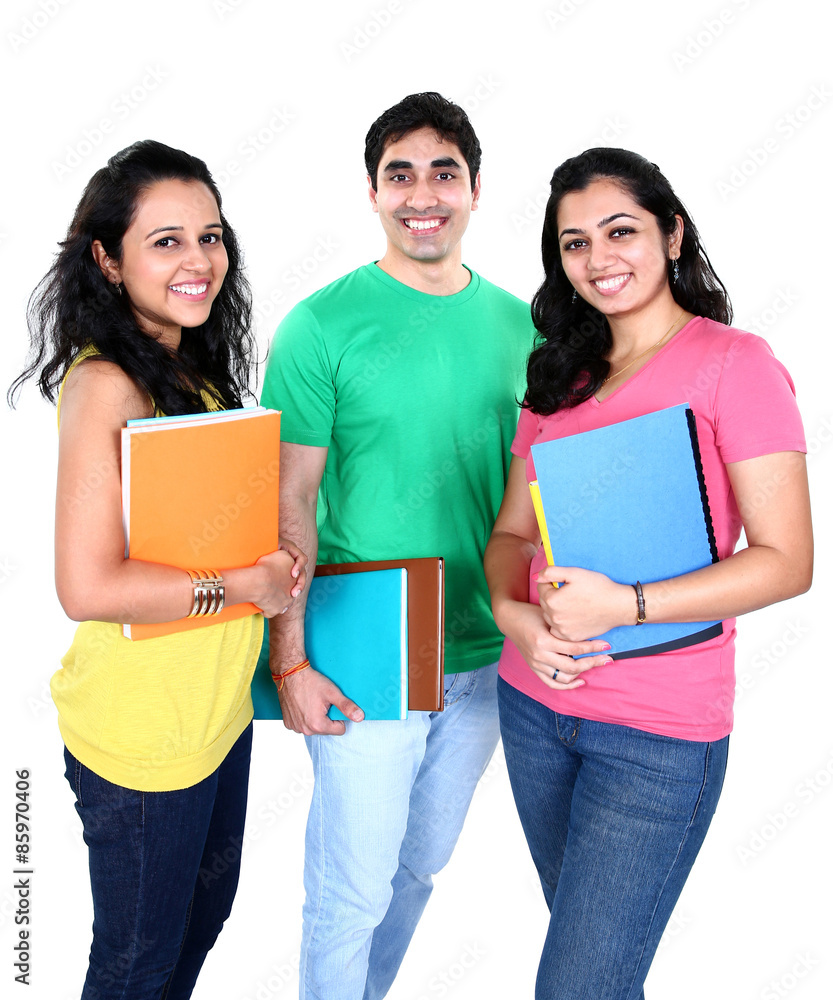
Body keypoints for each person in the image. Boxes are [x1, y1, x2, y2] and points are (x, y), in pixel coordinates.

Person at [484, 146, 813, 999]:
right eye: (573, 243)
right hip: (532, 706)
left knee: (576, 988)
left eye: (620, 230)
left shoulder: (734, 365)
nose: (598, 259)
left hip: (656, 736)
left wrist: (623, 605)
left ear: (671, 234)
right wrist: (513, 618)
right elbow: (511, 535)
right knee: (597, 977)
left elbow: (788, 562)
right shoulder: (559, 374)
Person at [8, 140, 306, 1000]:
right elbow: (86, 587)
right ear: (107, 259)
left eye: (209, 237)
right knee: (135, 966)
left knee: (197, 927)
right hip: (145, 743)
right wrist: (244, 589)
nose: (198, 260)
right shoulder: (107, 385)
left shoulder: (191, 368)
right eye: (165, 240)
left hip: (213, 719)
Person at [260, 92, 534, 999]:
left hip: (488, 655)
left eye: (443, 172)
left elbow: (541, 490)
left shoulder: (525, 327)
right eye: (400, 174)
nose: (423, 194)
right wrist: (289, 661)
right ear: (373, 192)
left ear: (476, 189)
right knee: (350, 891)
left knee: (415, 871)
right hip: (366, 646)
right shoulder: (320, 326)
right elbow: (287, 500)